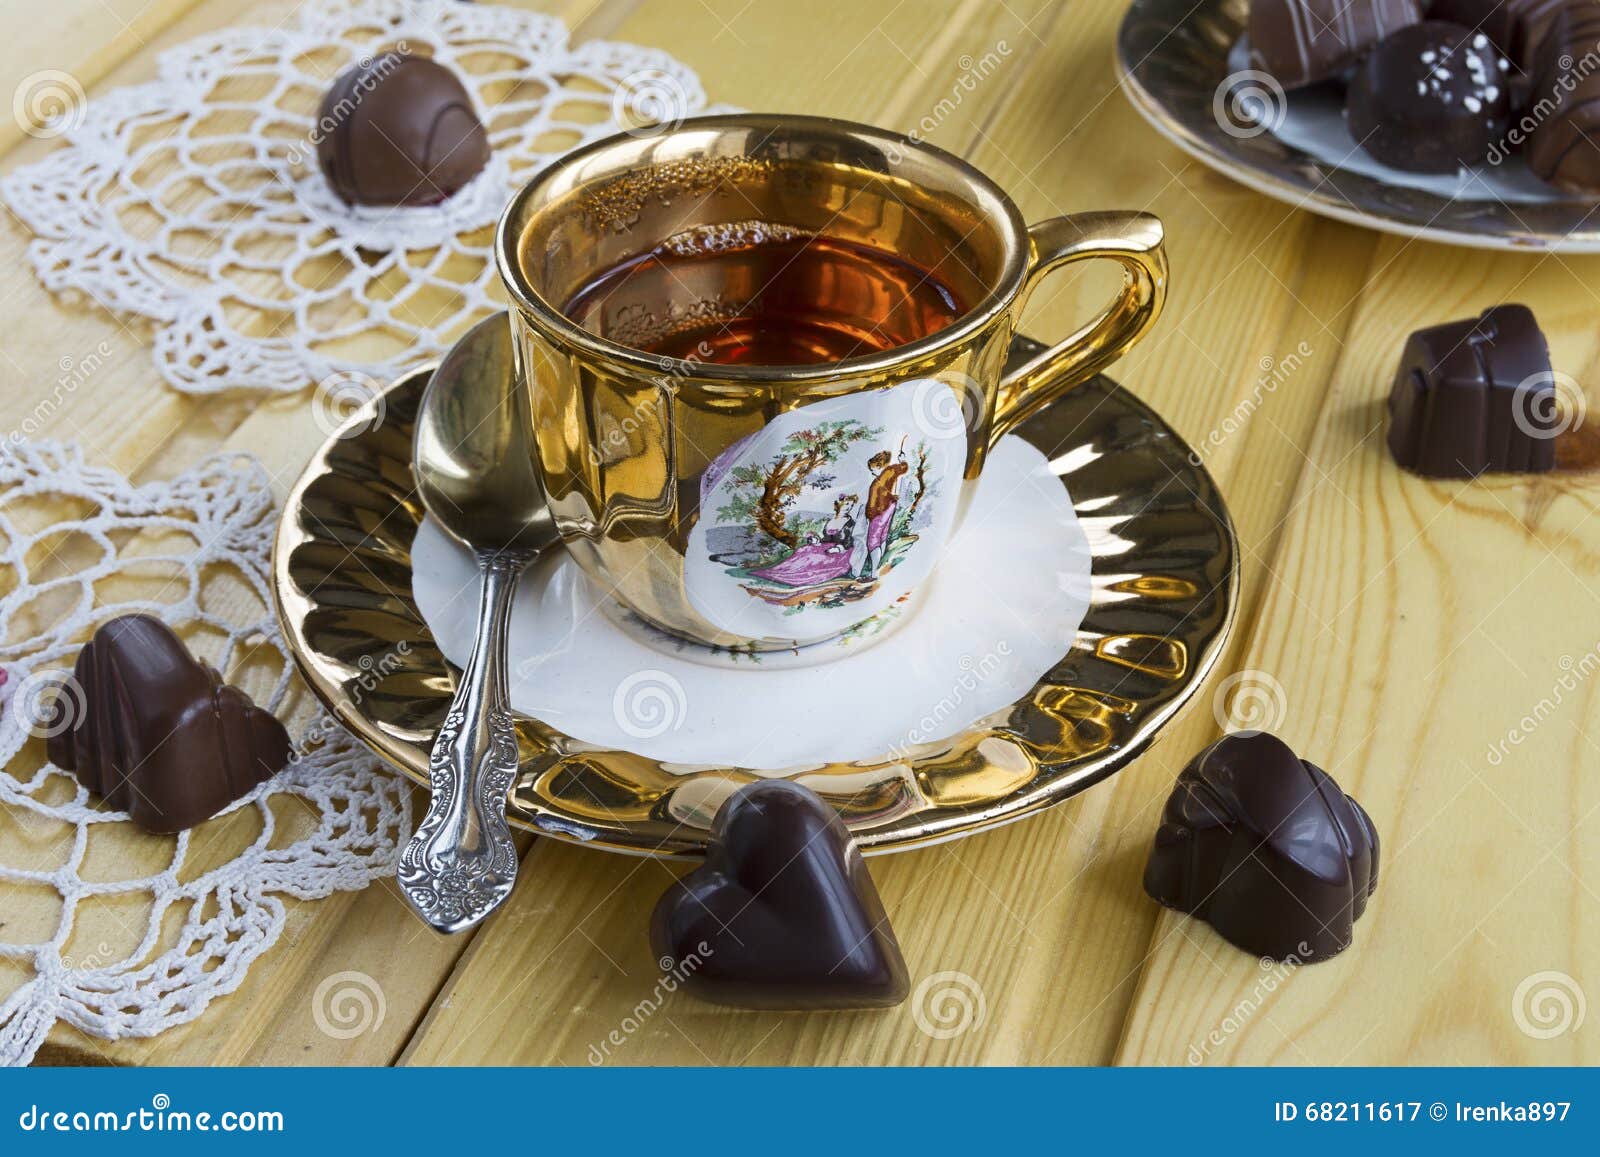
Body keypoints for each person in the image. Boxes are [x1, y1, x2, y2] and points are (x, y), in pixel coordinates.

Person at [747, 494, 858, 587]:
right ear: (839, 504)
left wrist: (838, 548)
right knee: (803, 550)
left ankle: (795, 575)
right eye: (847, 504)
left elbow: (849, 540)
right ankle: (783, 571)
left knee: (814, 557)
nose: (849, 507)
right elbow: (826, 538)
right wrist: (817, 541)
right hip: (827, 546)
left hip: (841, 552)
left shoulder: (850, 523)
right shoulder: (831, 520)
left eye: (851, 506)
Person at [858, 446, 909, 578]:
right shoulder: (892, 470)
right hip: (889, 508)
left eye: (872, 469)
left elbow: (874, 501)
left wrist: (869, 514)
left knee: (873, 542)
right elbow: (903, 468)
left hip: (879, 512)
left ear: (879, 465)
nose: (872, 472)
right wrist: (903, 461)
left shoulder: (880, 480)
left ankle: (874, 573)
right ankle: (877, 571)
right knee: (882, 537)